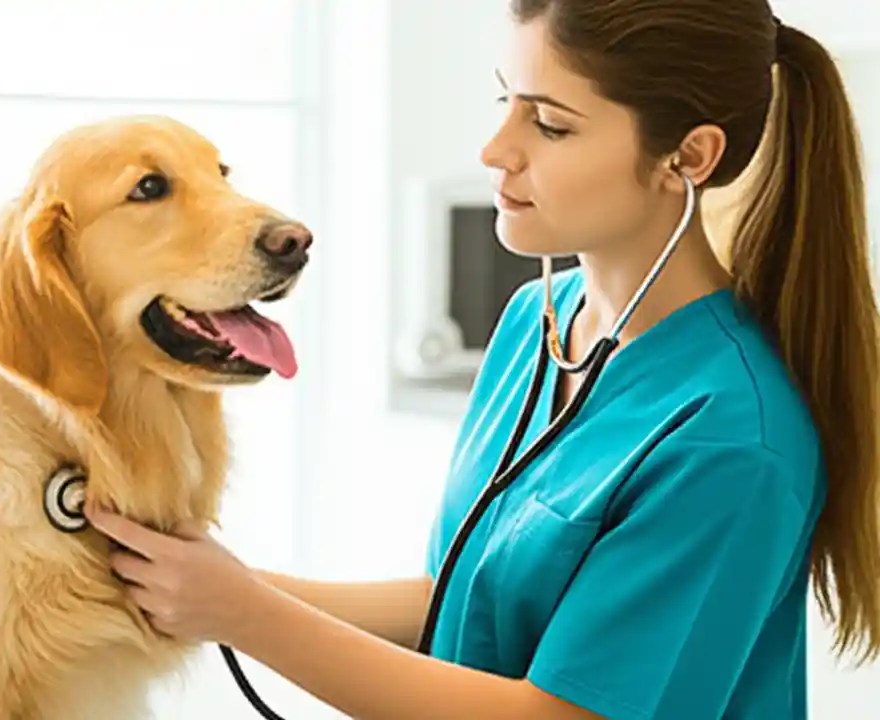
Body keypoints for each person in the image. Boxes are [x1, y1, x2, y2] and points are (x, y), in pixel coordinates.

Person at [85, 1, 880, 717]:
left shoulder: (734, 439)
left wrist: (245, 615)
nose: (497, 149)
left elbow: (565, 715)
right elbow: (462, 598)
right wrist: (209, 583)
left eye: (552, 125)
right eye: (507, 102)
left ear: (689, 157)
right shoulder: (536, 320)